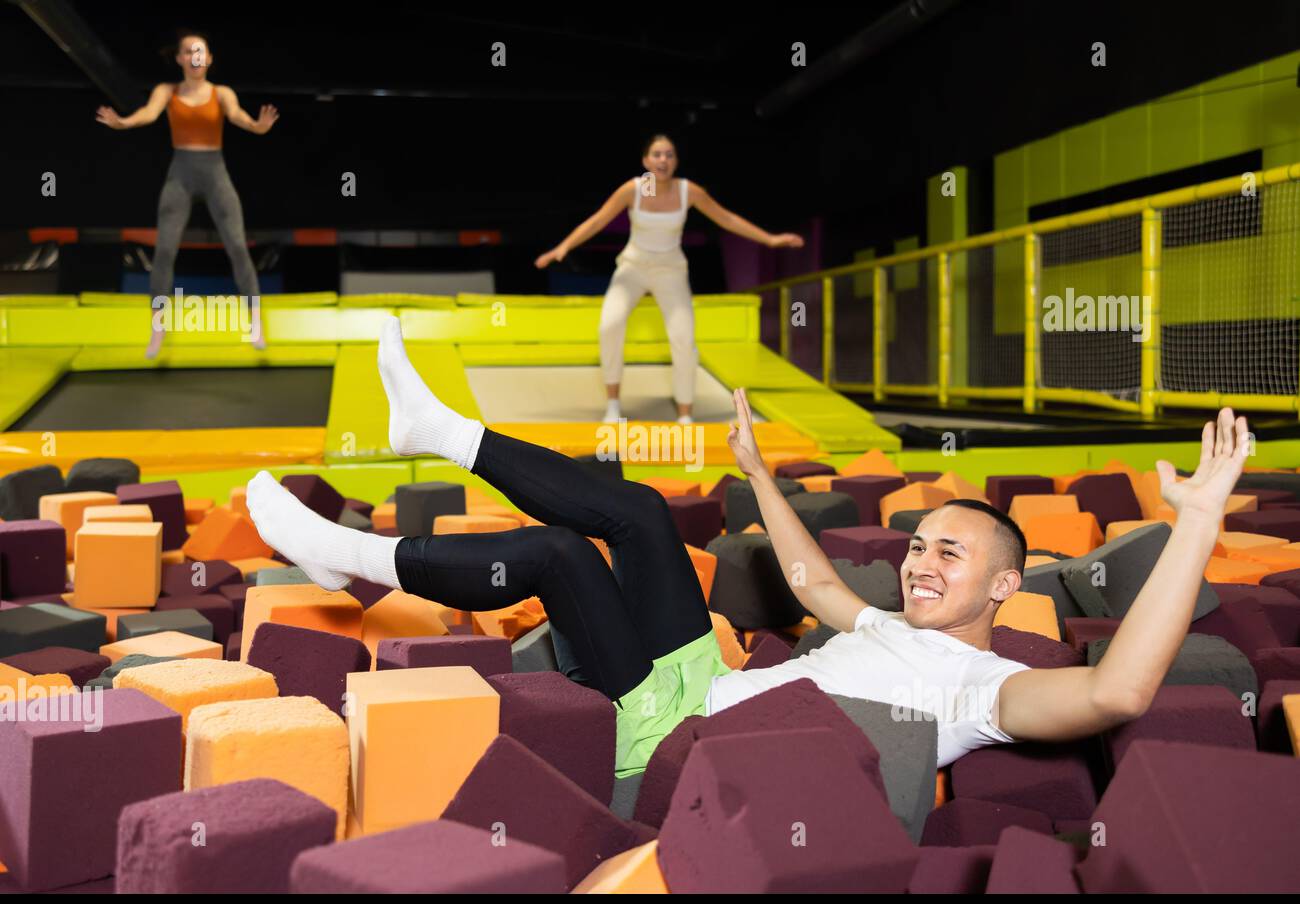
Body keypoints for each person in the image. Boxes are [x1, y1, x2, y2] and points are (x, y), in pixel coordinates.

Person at [246, 317, 1251, 777]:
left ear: (1004, 583)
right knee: (639, 511)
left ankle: (349, 556)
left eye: (949, 552)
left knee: (560, 555)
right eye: (917, 543)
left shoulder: (978, 690)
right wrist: (760, 472)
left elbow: (1114, 693)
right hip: (696, 680)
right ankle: (443, 432)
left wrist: (1197, 519)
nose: (919, 559)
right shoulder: (889, 623)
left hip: (672, 741)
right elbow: (811, 576)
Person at [534, 134, 805, 425]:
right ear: (646, 160)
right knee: (609, 324)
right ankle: (613, 403)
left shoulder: (688, 191)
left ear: (675, 161)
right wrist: (563, 247)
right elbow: (598, 220)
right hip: (633, 267)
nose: (663, 160)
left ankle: (685, 413)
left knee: (683, 338)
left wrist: (771, 239)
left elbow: (727, 219)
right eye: (657, 154)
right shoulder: (635, 189)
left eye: (669, 155)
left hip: (671, 270)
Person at [95, 30, 277, 358]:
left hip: (214, 172)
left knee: (237, 246)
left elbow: (238, 117)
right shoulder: (168, 91)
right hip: (181, 173)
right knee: (164, 251)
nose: (195, 57)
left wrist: (257, 127)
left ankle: (255, 321)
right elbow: (148, 114)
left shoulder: (222, 93)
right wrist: (123, 123)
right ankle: (157, 326)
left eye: (201, 52)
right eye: (189, 52)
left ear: (208, 59)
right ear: (180, 59)